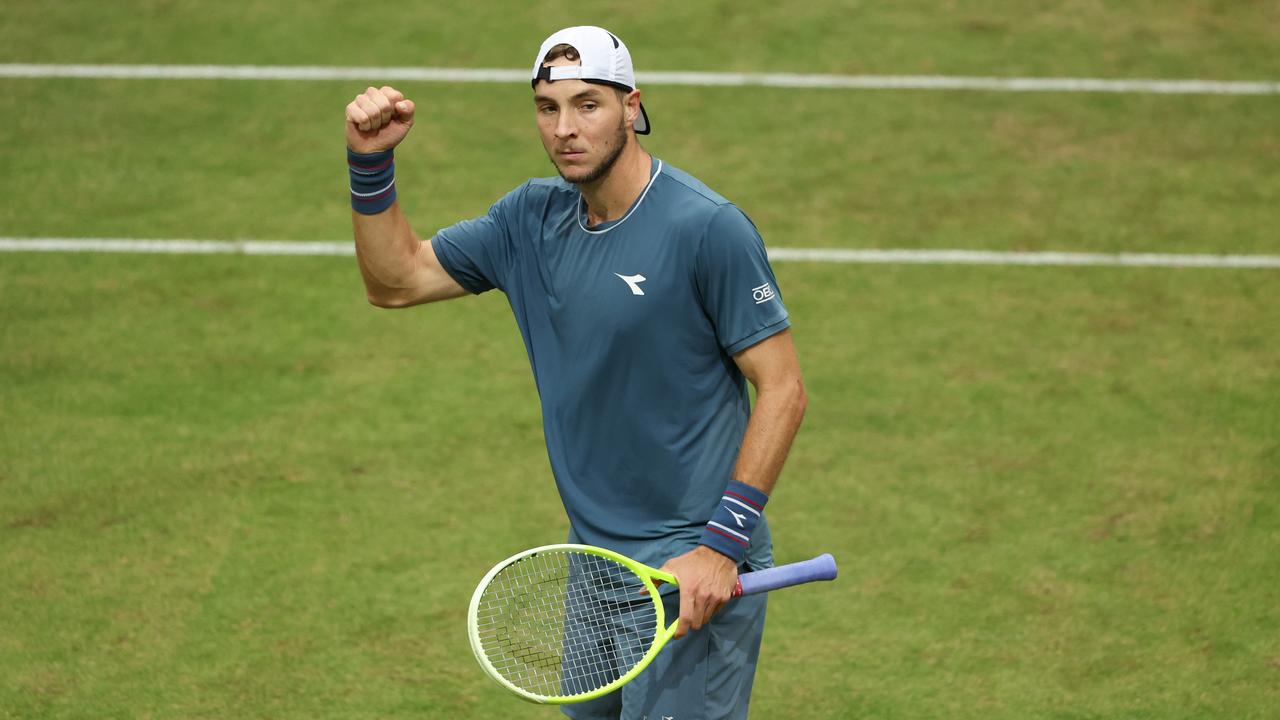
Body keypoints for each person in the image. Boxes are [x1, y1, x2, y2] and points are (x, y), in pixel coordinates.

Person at [344, 25, 807, 720]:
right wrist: (369, 165)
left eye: (587, 104)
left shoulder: (706, 228)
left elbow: (785, 388)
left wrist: (721, 548)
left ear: (631, 106)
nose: (564, 127)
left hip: (690, 565)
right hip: (595, 564)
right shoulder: (529, 220)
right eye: (547, 107)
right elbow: (397, 281)